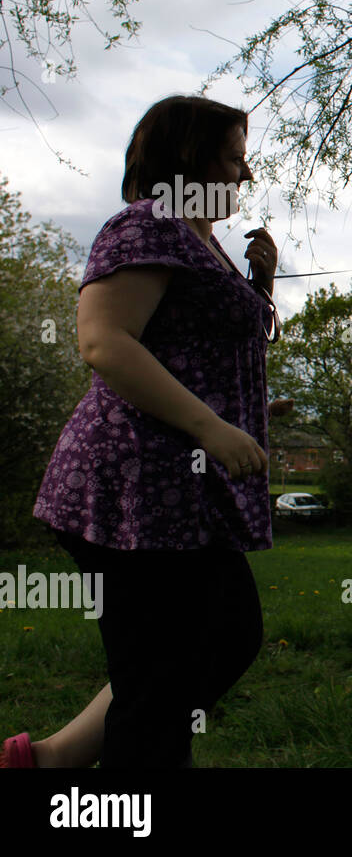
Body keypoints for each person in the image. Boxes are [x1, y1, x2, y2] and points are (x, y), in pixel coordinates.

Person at [4, 96, 277, 769]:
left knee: (207, 646)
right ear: (188, 159)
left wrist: (259, 282)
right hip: (132, 486)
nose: (244, 175)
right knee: (163, 680)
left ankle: (44, 763)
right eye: (232, 159)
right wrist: (212, 427)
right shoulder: (146, 227)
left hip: (179, 494)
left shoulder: (195, 240)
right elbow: (104, 342)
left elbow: (201, 342)